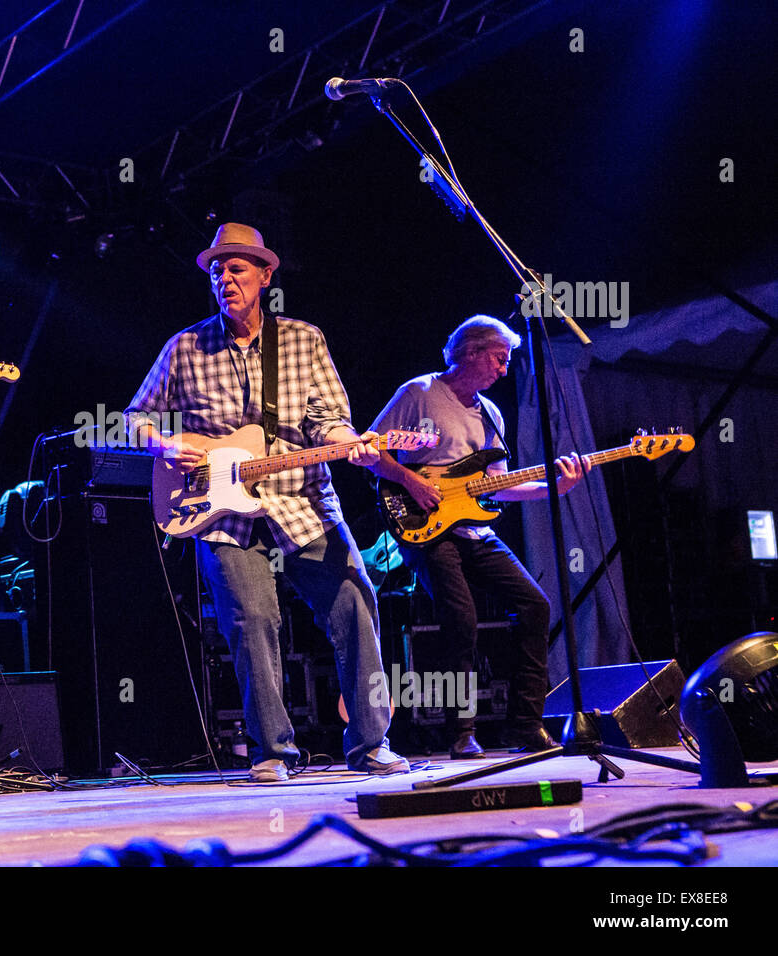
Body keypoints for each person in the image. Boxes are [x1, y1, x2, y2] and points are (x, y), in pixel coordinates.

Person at [127, 222, 407, 781]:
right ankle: (272, 751)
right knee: (252, 621)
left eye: (236, 269)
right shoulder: (184, 347)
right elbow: (134, 419)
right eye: (216, 271)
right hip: (218, 511)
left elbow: (330, 418)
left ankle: (371, 743)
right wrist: (165, 441)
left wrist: (348, 444)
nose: (224, 278)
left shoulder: (304, 339)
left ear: (265, 275)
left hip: (303, 501)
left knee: (355, 602)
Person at [368, 315, 589, 758]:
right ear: (470, 352)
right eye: (499, 359)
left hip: (474, 528)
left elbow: (499, 484)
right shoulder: (419, 392)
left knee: (535, 606)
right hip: (424, 525)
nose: (504, 370)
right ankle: (460, 732)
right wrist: (412, 482)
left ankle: (524, 727)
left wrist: (555, 486)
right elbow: (371, 450)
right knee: (461, 621)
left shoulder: (491, 412)